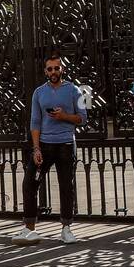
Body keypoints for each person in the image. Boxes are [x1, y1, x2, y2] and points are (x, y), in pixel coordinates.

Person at [17, 53, 85, 244]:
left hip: (65, 145)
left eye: (57, 68)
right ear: (45, 71)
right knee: (29, 183)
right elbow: (35, 122)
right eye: (50, 69)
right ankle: (29, 229)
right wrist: (36, 148)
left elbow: (83, 118)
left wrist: (64, 116)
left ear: (62, 69)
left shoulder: (75, 90)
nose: (53, 72)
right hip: (44, 146)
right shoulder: (39, 92)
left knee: (66, 187)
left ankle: (66, 228)